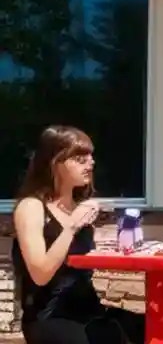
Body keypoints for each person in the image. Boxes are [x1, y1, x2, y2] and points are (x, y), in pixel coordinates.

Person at [12, 125, 144, 344]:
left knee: (153, 327)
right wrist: (72, 226)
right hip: (51, 316)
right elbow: (40, 273)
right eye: (80, 159)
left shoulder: (78, 207)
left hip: (89, 310)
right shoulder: (32, 207)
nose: (90, 164)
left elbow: (80, 262)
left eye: (91, 157)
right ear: (55, 163)